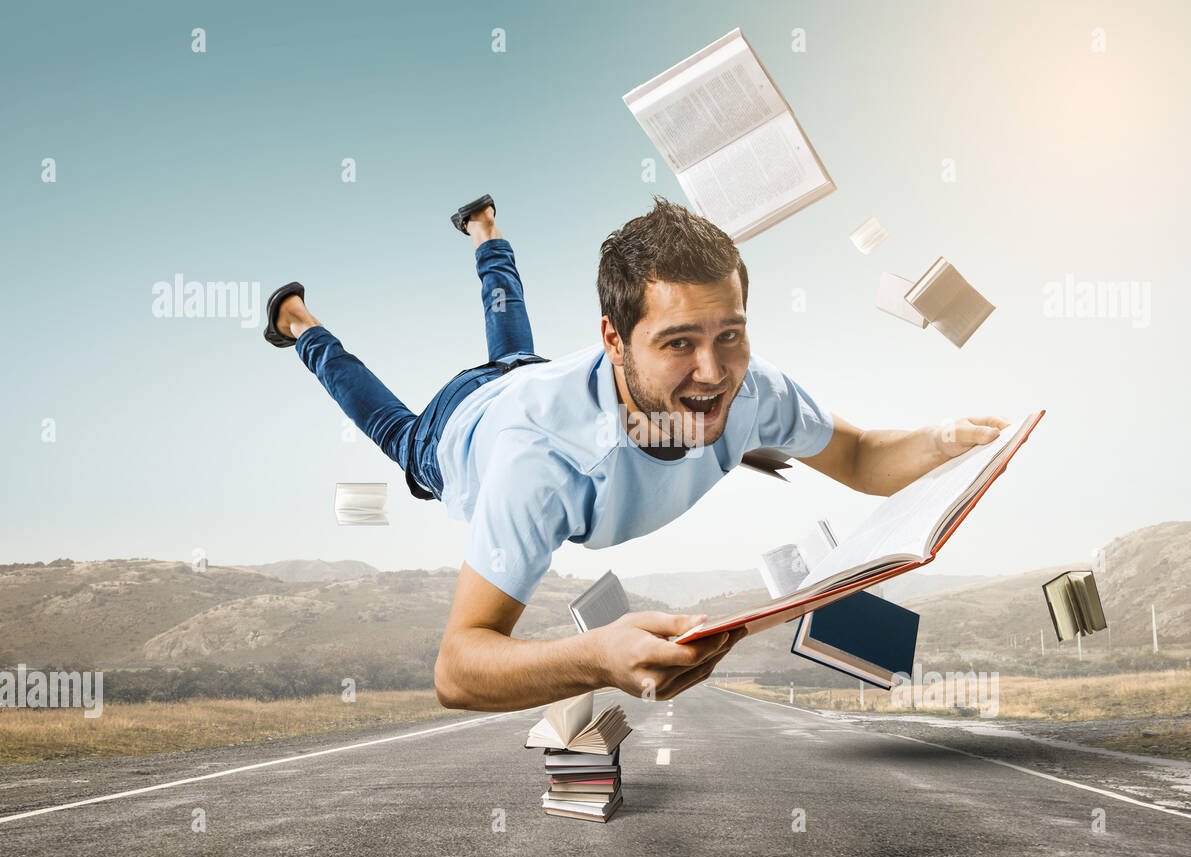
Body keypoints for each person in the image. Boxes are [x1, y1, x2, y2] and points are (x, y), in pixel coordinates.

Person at [264, 194, 1009, 712]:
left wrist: (945, 442)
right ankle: (303, 327)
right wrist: (594, 659)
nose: (714, 374)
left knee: (513, 343)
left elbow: (860, 456)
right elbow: (458, 669)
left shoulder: (753, 388)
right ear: (615, 341)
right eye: (679, 343)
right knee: (388, 424)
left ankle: (486, 231)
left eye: (729, 334)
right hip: (454, 431)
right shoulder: (541, 469)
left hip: (530, 380)